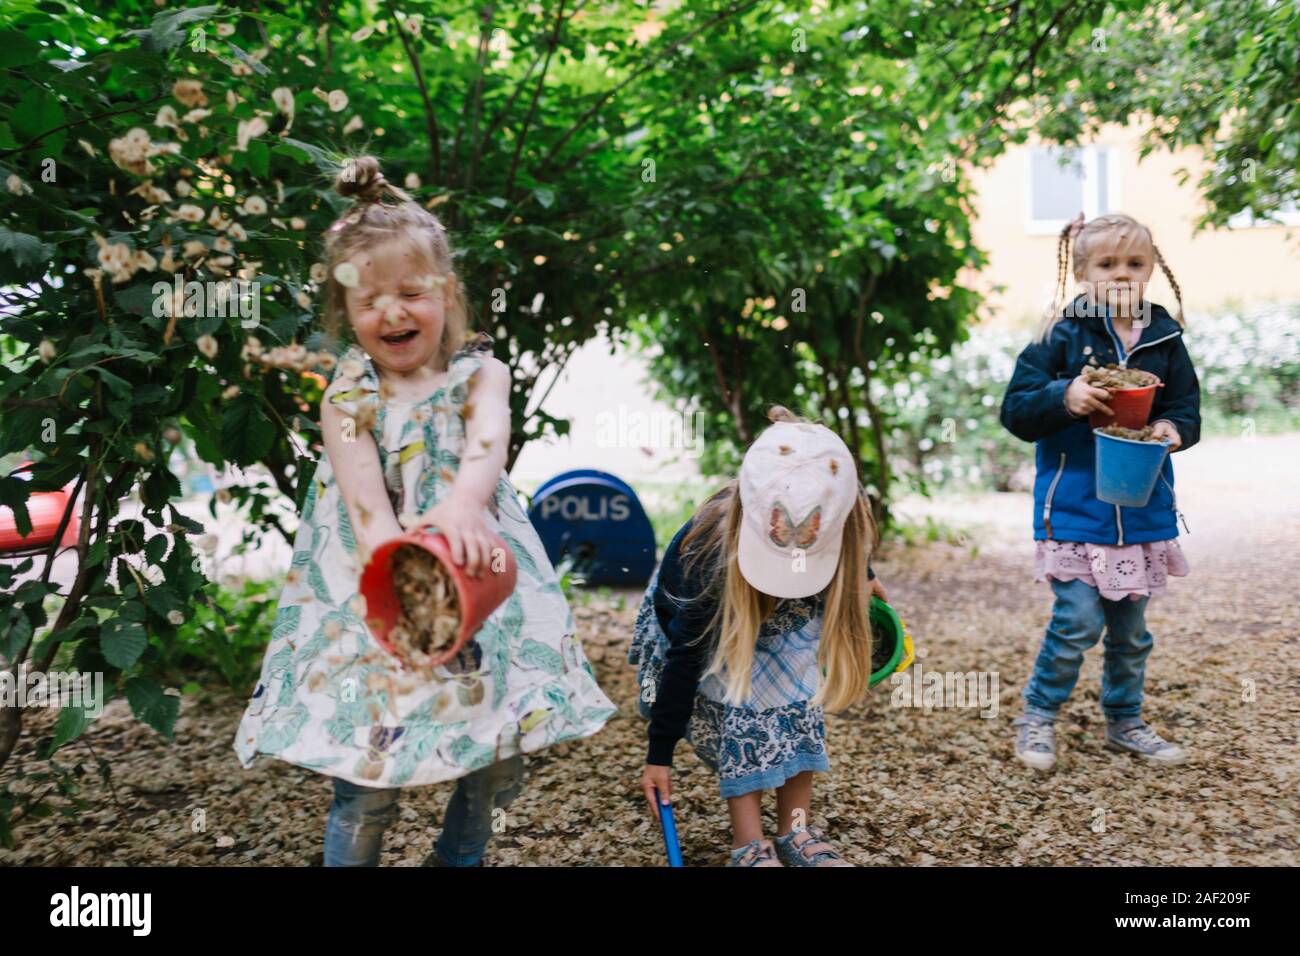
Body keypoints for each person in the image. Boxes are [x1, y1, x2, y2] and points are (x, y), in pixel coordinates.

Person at [233, 156, 615, 865]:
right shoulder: (349, 395)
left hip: (477, 578)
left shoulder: (481, 375)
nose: (393, 312)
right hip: (380, 598)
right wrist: (411, 589)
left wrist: (467, 505)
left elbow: (489, 442)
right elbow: (366, 508)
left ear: (447, 292)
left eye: (412, 291)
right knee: (366, 781)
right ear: (345, 313)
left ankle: (457, 856)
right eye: (369, 300)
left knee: (499, 754)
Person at [629, 407, 887, 866]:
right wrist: (659, 755)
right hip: (714, 627)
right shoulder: (711, 556)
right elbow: (685, 659)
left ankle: (795, 830)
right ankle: (748, 843)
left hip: (783, 623)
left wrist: (864, 574)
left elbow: (852, 537)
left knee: (800, 698)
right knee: (741, 707)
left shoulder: (839, 523)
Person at [1000, 211, 1201, 771]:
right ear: (1084, 273)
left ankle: (1125, 721)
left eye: (1134, 264)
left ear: (1151, 270)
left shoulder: (1165, 338)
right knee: (1078, 621)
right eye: (1107, 264)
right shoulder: (1061, 336)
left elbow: (1186, 407)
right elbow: (1016, 409)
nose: (1122, 276)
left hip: (1140, 508)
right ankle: (1038, 715)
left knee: (1132, 631)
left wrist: (1171, 429)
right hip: (1075, 507)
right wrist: (1064, 396)